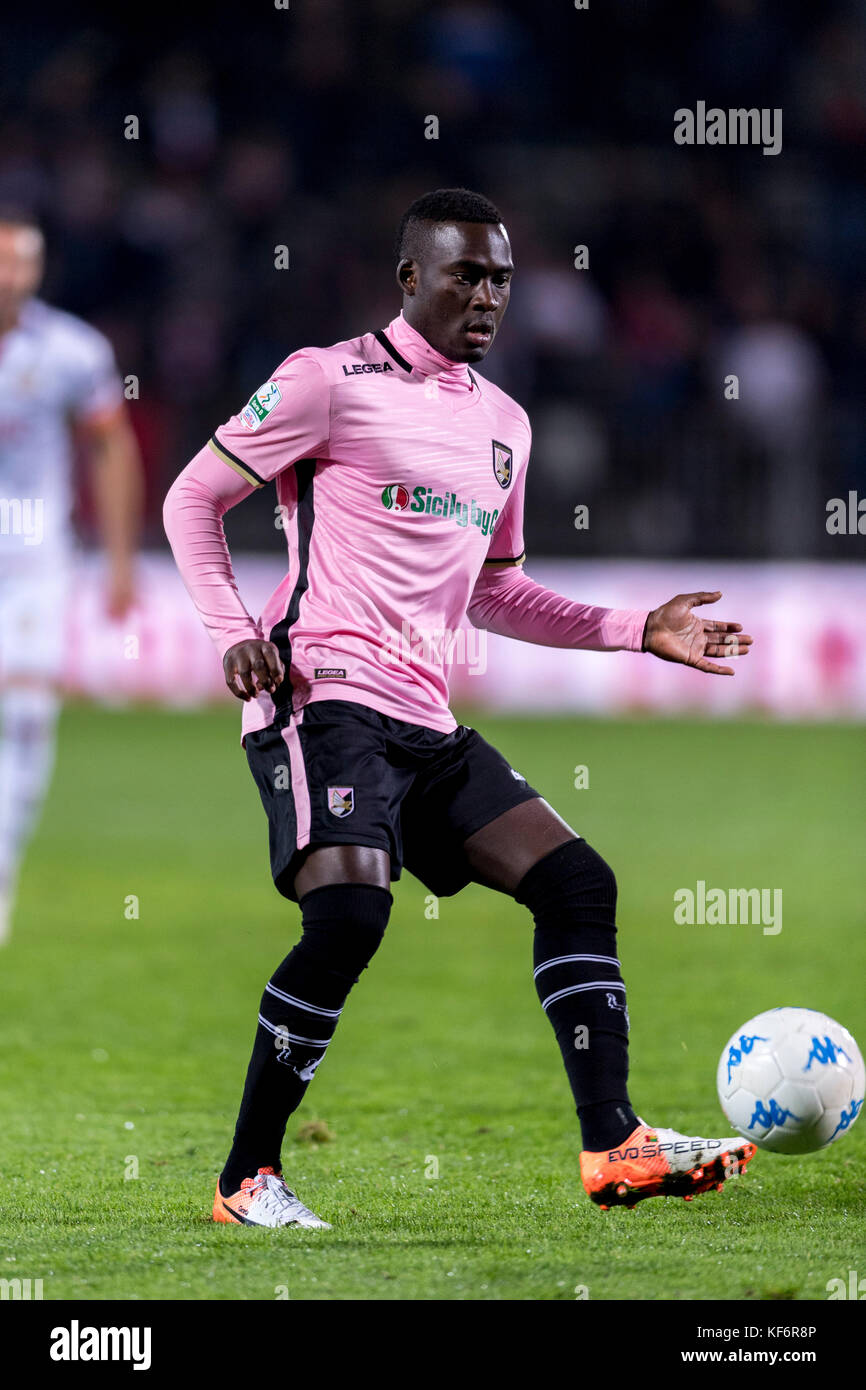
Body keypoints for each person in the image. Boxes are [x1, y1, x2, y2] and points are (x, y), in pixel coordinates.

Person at [164, 188, 756, 1229]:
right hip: (322, 696)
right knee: (347, 912)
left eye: (500, 280)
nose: (486, 297)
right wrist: (229, 631)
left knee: (576, 881)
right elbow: (191, 498)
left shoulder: (503, 425)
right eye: (464, 276)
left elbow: (493, 588)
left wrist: (635, 629)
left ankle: (613, 1144)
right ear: (409, 279)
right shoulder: (326, 381)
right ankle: (245, 1177)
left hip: (423, 719)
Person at [0, 210, 143, 945]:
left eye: (22, 262)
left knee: (25, 714)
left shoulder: (71, 350)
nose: (10, 276)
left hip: (32, 560)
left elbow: (109, 448)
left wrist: (120, 559)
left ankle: (2, 870)